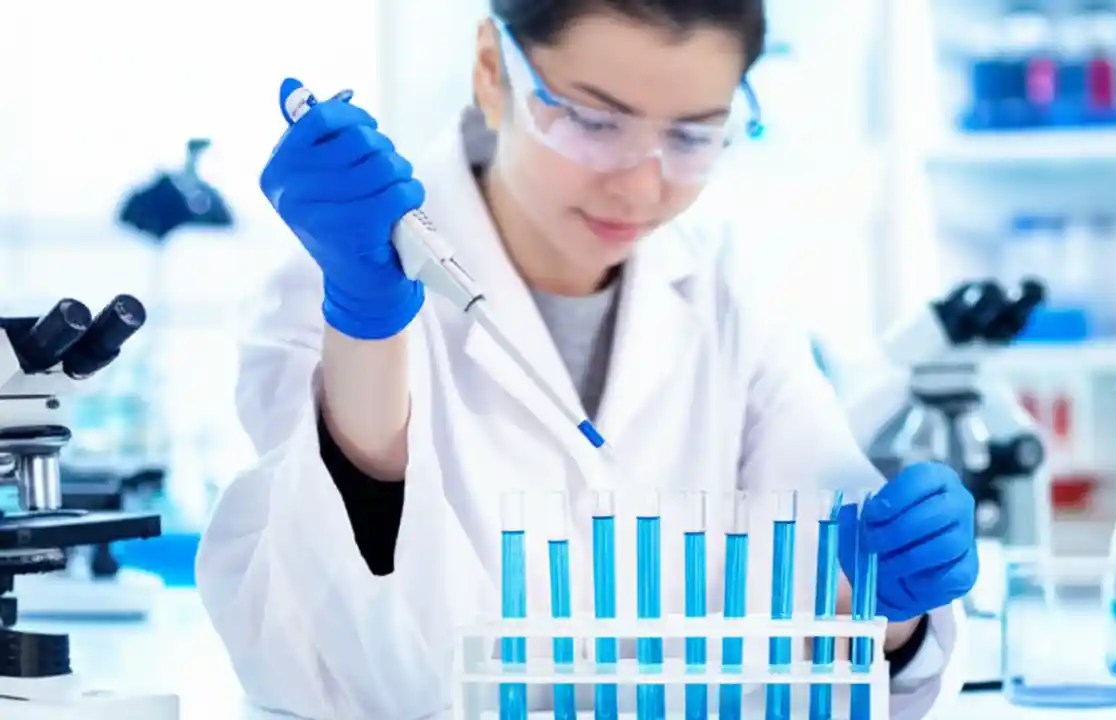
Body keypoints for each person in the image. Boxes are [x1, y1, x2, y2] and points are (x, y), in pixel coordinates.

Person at [196, 1, 979, 718]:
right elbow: (321, 652)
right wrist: (366, 325)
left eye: (692, 135)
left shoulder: (728, 299)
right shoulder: (335, 277)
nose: (641, 185)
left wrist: (894, 595)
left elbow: (830, 610)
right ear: (491, 71)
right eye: (595, 122)